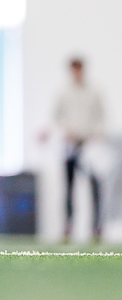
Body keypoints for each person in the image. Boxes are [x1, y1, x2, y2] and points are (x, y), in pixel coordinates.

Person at [45, 58, 106, 241]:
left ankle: (96, 228)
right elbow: (56, 117)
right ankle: (68, 226)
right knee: (69, 188)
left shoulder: (94, 92)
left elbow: (101, 116)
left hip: (90, 146)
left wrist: (96, 133)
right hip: (71, 146)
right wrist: (66, 130)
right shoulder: (63, 93)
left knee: (95, 188)